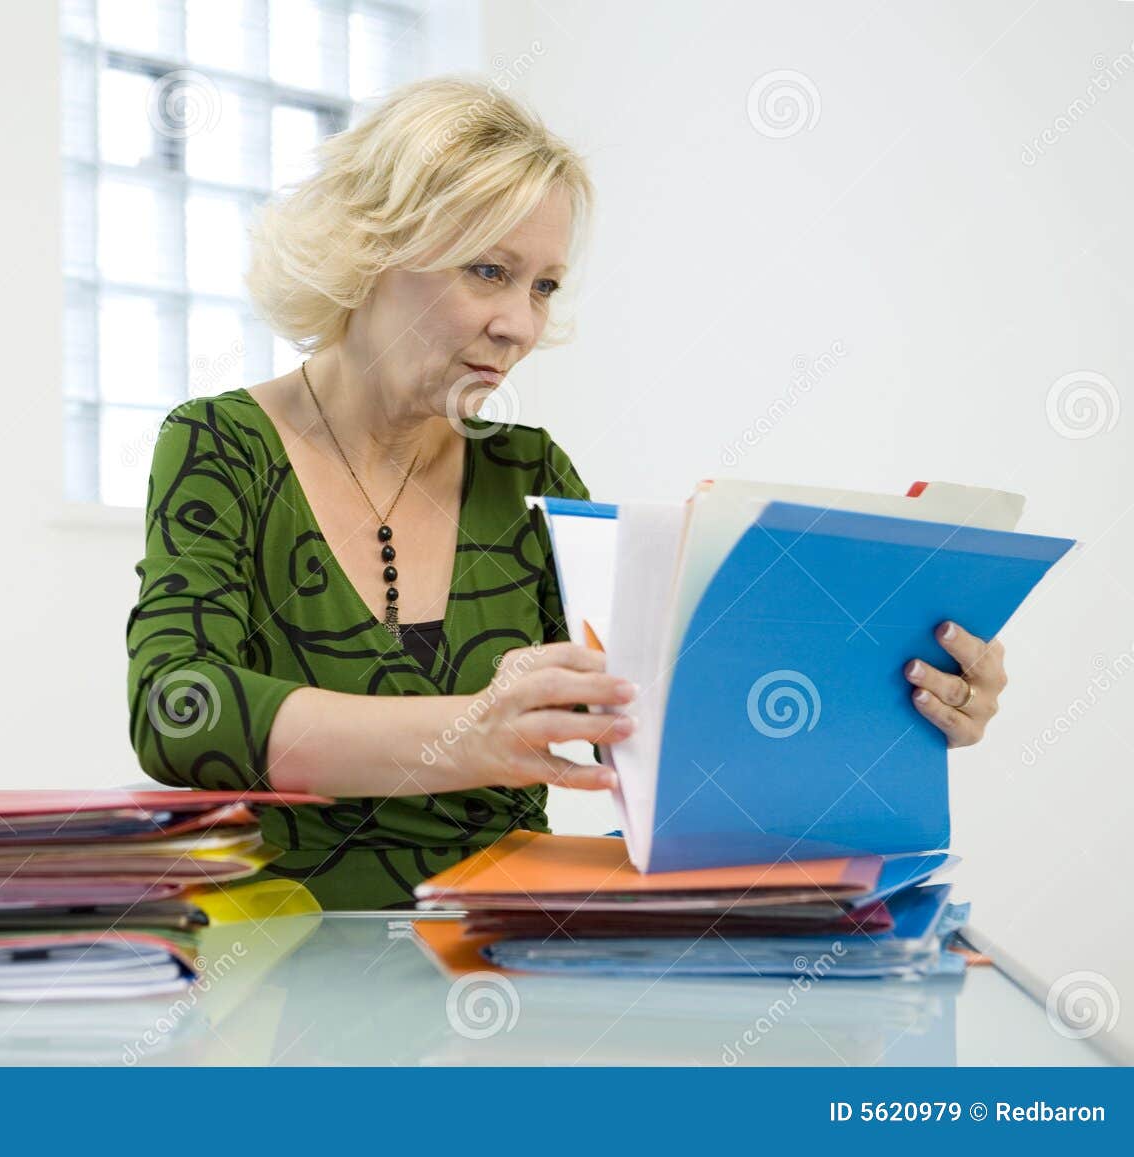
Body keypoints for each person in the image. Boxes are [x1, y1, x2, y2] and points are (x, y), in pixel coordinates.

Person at [124, 76, 1008, 910]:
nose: (520, 325)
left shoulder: (530, 475)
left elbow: (667, 727)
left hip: (495, 964)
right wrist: (464, 732)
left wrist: (897, 700)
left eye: (543, 286)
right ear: (373, 249)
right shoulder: (219, 446)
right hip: (281, 965)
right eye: (488, 271)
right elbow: (177, 709)